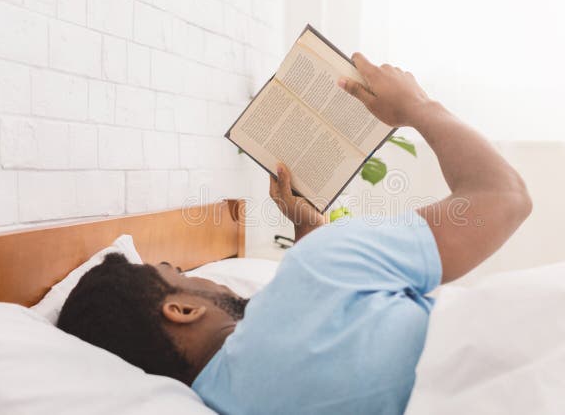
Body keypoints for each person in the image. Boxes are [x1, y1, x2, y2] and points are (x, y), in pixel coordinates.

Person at [57, 53, 531, 414]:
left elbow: (311, 348)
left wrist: (307, 228)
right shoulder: (321, 269)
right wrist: (418, 108)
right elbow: (505, 197)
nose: (211, 278)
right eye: (182, 272)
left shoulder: (231, 401)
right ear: (181, 309)